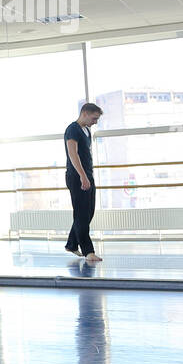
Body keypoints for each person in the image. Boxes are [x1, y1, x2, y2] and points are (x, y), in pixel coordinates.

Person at [65, 102, 103, 263]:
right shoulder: (72, 129)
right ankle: (89, 251)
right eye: (94, 118)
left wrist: (88, 176)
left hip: (87, 175)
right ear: (85, 113)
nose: (95, 122)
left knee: (89, 212)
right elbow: (73, 154)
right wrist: (82, 176)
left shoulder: (86, 130)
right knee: (81, 214)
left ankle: (72, 244)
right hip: (77, 177)